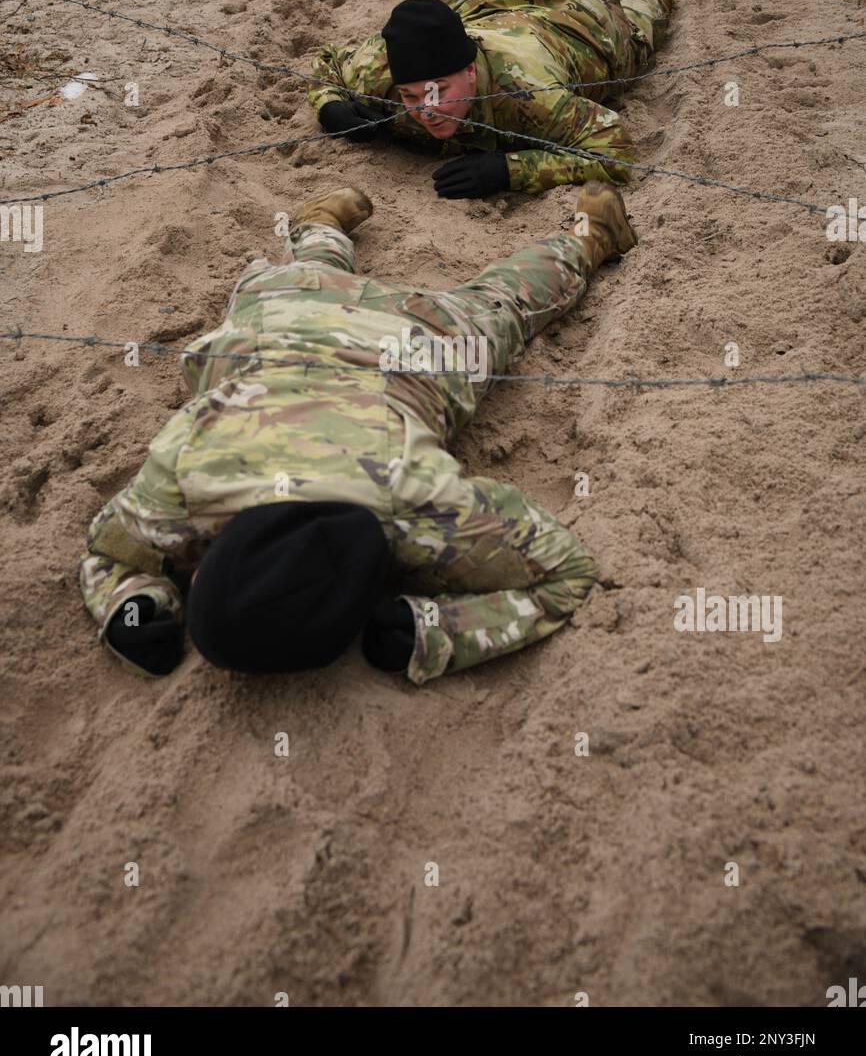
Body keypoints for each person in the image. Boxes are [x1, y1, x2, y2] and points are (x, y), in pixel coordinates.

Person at [79, 181, 637, 688]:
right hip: (284, 312)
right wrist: (129, 605)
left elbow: (568, 575)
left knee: (505, 302)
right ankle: (321, 221)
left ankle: (593, 233)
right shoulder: (186, 482)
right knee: (318, 279)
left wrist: (439, 629)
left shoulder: (417, 500)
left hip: (415, 338)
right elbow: (109, 550)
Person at [309, 0, 672, 198]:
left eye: (438, 92)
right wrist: (331, 107)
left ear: (470, 72)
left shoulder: (528, 92)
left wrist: (510, 170)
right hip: (493, 2)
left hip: (577, 29)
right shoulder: (377, 71)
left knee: (642, 22)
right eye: (411, 96)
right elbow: (328, 60)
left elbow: (616, 153)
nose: (427, 110)